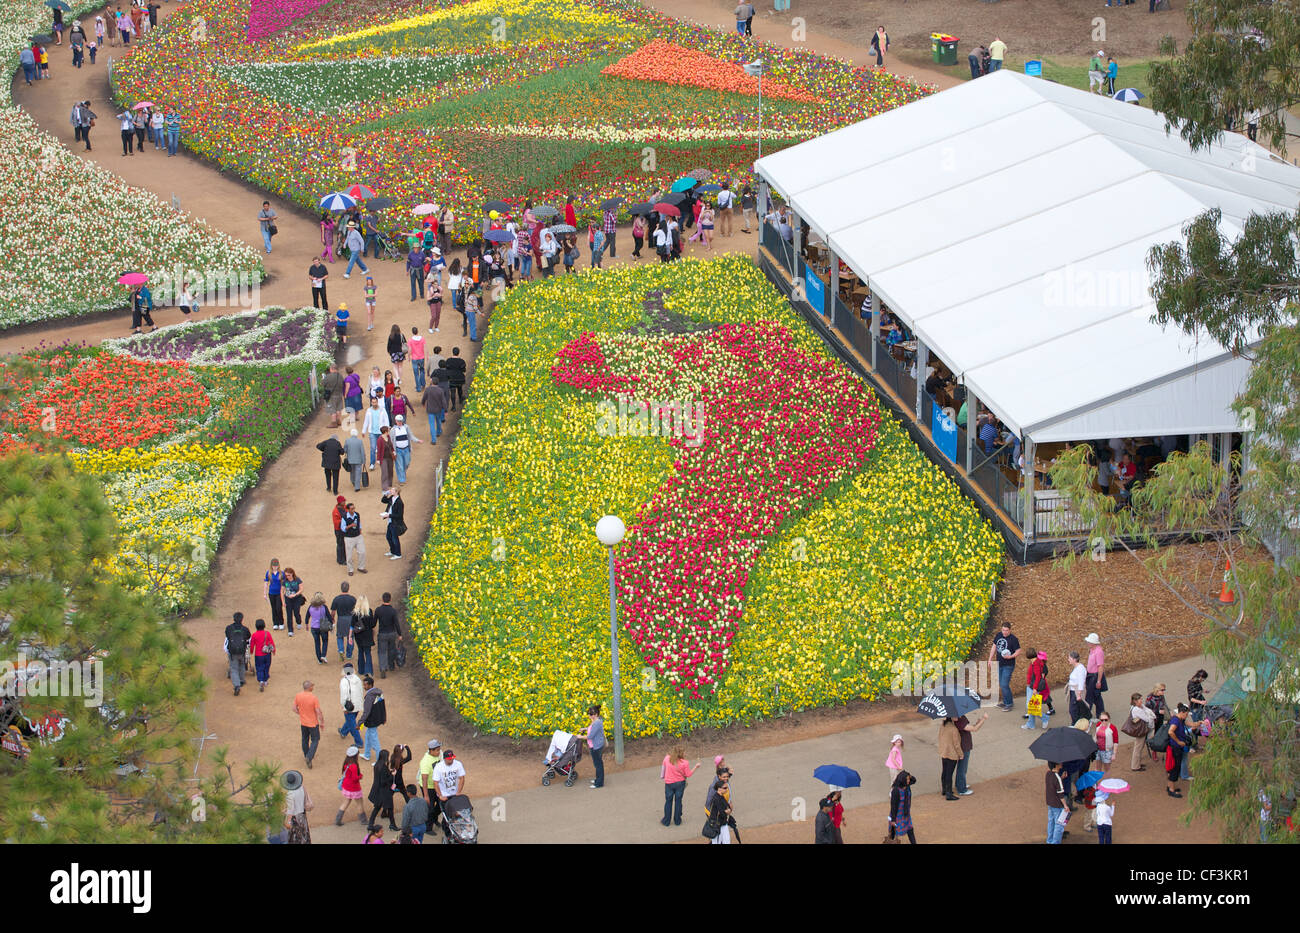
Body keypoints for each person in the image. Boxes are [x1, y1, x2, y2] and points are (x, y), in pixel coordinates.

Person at [987, 621, 1023, 710]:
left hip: (1008, 665)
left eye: (1006, 630)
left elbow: (1018, 651)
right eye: (1003, 630)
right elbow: (994, 647)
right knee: (1002, 684)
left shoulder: (1013, 639)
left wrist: (1010, 656)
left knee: (1004, 684)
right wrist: (990, 659)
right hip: (999, 664)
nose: (1004, 632)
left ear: (1010, 630)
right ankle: (1006, 702)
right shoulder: (999, 635)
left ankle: (1009, 704)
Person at [660, 748, 699, 827]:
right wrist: (696, 767)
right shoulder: (685, 763)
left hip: (669, 783)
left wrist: (663, 776)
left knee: (668, 801)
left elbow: (663, 768)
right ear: (681, 753)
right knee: (678, 801)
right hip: (680, 784)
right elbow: (688, 774)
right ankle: (677, 820)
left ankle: (666, 821)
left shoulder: (667, 758)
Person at [954, 711, 988, 796]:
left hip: (964, 746)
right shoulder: (958, 720)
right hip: (963, 747)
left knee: (963, 768)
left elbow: (972, 727)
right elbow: (974, 729)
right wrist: (983, 719)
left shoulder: (958, 717)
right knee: (962, 768)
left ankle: (960, 784)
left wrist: (978, 722)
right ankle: (961, 789)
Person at [293, 680, 324, 769]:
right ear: (309, 687)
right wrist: (322, 722)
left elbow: (294, 708)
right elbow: (318, 711)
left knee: (305, 739)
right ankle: (309, 757)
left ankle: (306, 755)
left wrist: (301, 714)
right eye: (312, 686)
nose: (313, 687)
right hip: (313, 723)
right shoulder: (313, 698)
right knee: (315, 740)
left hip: (303, 723)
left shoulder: (298, 696)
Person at [366, 748, 398, 831]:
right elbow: (384, 781)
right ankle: (392, 825)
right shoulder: (383, 767)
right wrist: (392, 775)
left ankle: (370, 824)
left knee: (377, 808)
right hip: (384, 792)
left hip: (377, 790)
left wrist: (389, 772)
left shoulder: (377, 765)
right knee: (390, 808)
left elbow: (381, 777)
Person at [277, 770, 312, 844]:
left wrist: (288, 822)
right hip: (302, 816)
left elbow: (291, 811)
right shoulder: (302, 787)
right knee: (304, 836)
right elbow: (301, 802)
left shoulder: (290, 794)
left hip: (295, 819)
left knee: (295, 839)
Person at [374, 591, 404, 678]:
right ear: (390, 599)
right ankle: (391, 666)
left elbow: (373, 623)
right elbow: (396, 623)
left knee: (382, 651)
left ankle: (383, 667)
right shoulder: (393, 611)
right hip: (392, 633)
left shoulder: (378, 610)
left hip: (382, 634)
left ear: (382, 599)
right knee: (391, 650)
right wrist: (400, 634)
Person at [1166, 704, 1191, 798]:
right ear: (1181, 712)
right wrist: (1179, 742)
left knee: (1173, 767)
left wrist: (1198, 723)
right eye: (1186, 714)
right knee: (1175, 768)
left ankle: (1170, 786)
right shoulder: (1176, 720)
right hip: (1175, 748)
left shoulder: (1179, 719)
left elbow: (1188, 724)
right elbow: (1170, 732)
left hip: (1175, 747)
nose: (1186, 716)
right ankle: (1171, 790)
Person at [336, 747, 366, 825]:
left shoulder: (346, 763)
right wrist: (360, 776)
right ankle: (363, 820)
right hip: (354, 788)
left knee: (345, 802)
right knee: (360, 803)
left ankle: (338, 820)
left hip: (346, 786)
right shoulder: (354, 766)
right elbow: (355, 778)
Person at [1126, 691, 1155, 771]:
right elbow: (1147, 718)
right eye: (1140, 699)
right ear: (1135, 701)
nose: (1142, 701)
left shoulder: (1138, 707)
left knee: (1139, 747)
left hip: (1140, 729)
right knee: (1138, 747)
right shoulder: (1136, 709)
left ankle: (1137, 763)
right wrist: (1150, 716)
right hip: (1140, 731)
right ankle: (1135, 766)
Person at [1045, 761, 1073, 844]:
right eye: (1060, 763)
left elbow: (1054, 784)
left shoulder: (1048, 774)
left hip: (1050, 803)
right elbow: (1061, 794)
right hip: (1057, 805)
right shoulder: (1057, 777)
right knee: (1059, 825)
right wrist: (1065, 806)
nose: (1061, 764)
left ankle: (1049, 840)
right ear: (1056, 765)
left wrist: (1061, 778)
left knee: (1051, 822)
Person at [224, 612, 251, 696]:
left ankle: (236, 685)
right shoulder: (245, 629)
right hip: (242, 651)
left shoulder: (229, 628)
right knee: (242, 665)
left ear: (233, 619)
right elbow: (248, 637)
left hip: (232, 652)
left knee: (234, 668)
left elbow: (227, 636)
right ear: (242, 619)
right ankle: (242, 680)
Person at [338, 661, 364, 746]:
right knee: (350, 721)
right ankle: (343, 731)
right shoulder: (357, 679)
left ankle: (359, 742)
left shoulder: (344, 681)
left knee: (352, 724)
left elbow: (344, 696)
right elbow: (361, 691)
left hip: (349, 706)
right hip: (358, 704)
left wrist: (344, 707)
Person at [330, 582, 357, 663]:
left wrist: (332, 619)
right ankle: (349, 654)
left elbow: (333, 612)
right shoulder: (353, 599)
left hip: (341, 619)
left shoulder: (336, 599)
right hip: (350, 619)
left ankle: (341, 650)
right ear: (348, 588)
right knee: (350, 636)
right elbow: (356, 610)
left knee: (340, 636)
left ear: (341, 588)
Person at [1024, 648, 1050, 729]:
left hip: (1033, 687)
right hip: (1031, 686)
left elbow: (1038, 677)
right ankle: (1031, 724)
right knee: (1032, 706)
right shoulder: (1034, 662)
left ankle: (1044, 718)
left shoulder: (1036, 664)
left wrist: (1035, 688)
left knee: (1030, 706)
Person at [888, 771, 917, 843]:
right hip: (897, 814)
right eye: (907, 779)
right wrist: (893, 819)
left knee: (910, 829)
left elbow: (914, 780)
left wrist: (909, 775)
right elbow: (893, 805)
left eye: (908, 779)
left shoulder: (906, 785)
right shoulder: (896, 790)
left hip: (906, 812)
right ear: (902, 780)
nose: (908, 780)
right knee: (894, 830)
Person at [938, 716, 962, 801]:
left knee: (945, 771)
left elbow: (940, 737)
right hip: (952, 753)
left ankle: (944, 790)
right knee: (949, 774)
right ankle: (949, 794)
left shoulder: (943, 725)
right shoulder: (954, 729)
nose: (958, 717)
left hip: (944, 752)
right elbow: (956, 744)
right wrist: (961, 754)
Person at [351, 595, 376, 677]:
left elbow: (352, 625)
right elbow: (372, 625)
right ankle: (368, 671)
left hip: (358, 635)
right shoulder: (369, 612)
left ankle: (361, 670)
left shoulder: (355, 613)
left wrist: (350, 636)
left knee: (360, 651)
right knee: (368, 653)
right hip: (368, 635)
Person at [1084, 632, 1106, 717]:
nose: (1087, 643)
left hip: (1095, 676)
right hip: (1090, 675)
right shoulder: (1092, 650)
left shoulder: (1099, 651)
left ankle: (1087, 715)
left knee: (1090, 697)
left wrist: (1098, 681)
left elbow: (1100, 667)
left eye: (1089, 642)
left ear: (1093, 643)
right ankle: (1100, 713)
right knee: (1096, 696)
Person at [249, 618, 275, 692]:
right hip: (267, 654)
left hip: (258, 655)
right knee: (267, 666)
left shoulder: (254, 635)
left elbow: (252, 645)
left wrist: (251, 651)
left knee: (259, 667)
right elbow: (271, 642)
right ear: (264, 625)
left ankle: (261, 680)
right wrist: (273, 651)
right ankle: (265, 680)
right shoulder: (267, 633)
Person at [584, 704, 606, 789]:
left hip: (596, 746)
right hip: (595, 745)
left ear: (596, 714)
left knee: (598, 764)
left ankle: (599, 783)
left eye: (591, 714)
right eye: (589, 714)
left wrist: (579, 736)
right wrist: (584, 729)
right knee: (597, 764)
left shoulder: (597, 723)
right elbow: (591, 729)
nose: (589, 716)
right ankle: (598, 780)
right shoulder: (596, 721)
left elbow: (590, 736)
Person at [706, 778, 734, 844]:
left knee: (727, 841)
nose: (726, 789)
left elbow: (728, 807)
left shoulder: (721, 796)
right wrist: (727, 811)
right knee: (716, 842)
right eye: (725, 788)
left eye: (727, 788)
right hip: (717, 825)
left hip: (723, 823)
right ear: (719, 789)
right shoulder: (716, 798)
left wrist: (728, 810)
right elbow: (722, 812)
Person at [421, 372, 446, 443]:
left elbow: (424, 398)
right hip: (438, 409)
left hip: (430, 410)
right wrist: (445, 410)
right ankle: (438, 432)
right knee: (438, 421)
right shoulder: (440, 390)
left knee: (432, 424)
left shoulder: (428, 389)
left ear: (432, 382)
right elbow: (443, 401)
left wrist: (423, 403)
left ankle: (434, 440)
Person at [306, 592, 331, 664]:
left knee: (317, 643)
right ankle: (323, 655)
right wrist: (331, 624)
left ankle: (319, 660)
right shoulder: (324, 607)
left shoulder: (310, 607)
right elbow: (329, 616)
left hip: (314, 627)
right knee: (325, 641)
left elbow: (307, 616)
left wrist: (307, 624)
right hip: (323, 625)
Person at [381, 487, 405, 558]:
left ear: (396, 492)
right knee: (388, 537)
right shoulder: (392, 498)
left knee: (395, 538)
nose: (390, 491)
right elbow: (383, 500)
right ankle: (393, 551)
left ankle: (398, 554)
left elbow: (399, 515)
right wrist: (386, 495)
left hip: (395, 523)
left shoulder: (399, 502)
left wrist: (389, 515)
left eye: (392, 490)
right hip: (390, 521)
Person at [1066, 650, 1089, 725]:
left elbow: (1081, 681)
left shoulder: (1080, 668)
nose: (1068, 660)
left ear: (1074, 659)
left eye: (1070, 658)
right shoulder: (1077, 667)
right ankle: (1076, 723)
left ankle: (1076, 724)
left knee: (1073, 710)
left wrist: (1079, 694)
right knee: (1075, 709)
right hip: (1073, 690)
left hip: (1076, 691)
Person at [282, 567, 304, 635]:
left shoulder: (297, 579)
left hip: (297, 598)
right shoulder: (285, 581)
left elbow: (301, 589)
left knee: (296, 613)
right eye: (286, 575)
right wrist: (283, 602)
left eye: (289, 575)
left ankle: (298, 622)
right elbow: (282, 591)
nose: (287, 577)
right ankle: (290, 630)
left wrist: (295, 594)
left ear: (292, 574)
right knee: (289, 615)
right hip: (288, 599)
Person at [445, 346, 467, 411]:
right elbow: (464, 370)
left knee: (453, 392)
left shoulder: (448, 360)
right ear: (458, 353)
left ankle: (454, 406)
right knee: (460, 388)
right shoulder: (461, 361)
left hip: (451, 378)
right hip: (460, 378)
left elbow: (446, 369)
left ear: (452, 352)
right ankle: (460, 399)